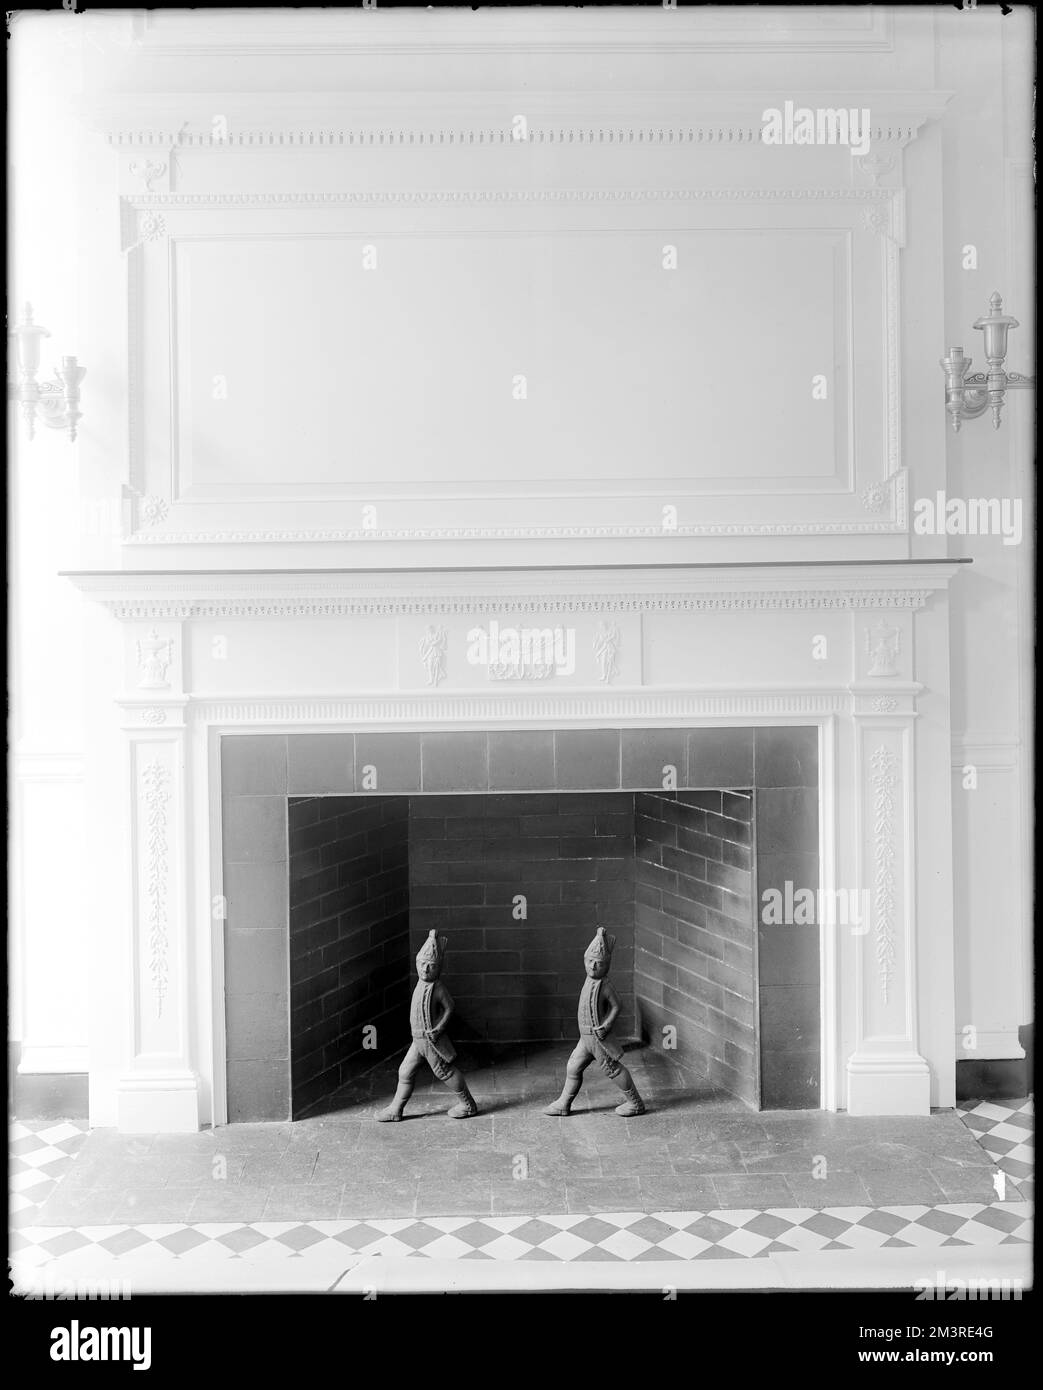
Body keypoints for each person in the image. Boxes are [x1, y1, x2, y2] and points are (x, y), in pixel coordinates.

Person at [544, 926, 646, 1117]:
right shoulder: (589, 980)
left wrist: (606, 1025)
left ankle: (635, 1103)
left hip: (597, 1038)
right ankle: (563, 1104)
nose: (593, 966)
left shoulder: (605, 985)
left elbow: (617, 1006)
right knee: (573, 1067)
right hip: (586, 1038)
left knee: (612, 1069)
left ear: (606, 965)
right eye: (590, 961)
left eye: (598, 963)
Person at [377, 929, 478, 1121]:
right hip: (418, 1040)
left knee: (444, 1072)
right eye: (422, 964)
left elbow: (449, 1007)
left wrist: (439, 1028)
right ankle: (395, 1110)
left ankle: (468, 1105)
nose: (425, 970)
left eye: (431, 966)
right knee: (405, 1071)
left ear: (438, 968)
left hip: (430, 1040)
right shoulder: (421, 983)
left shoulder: (437, 988)